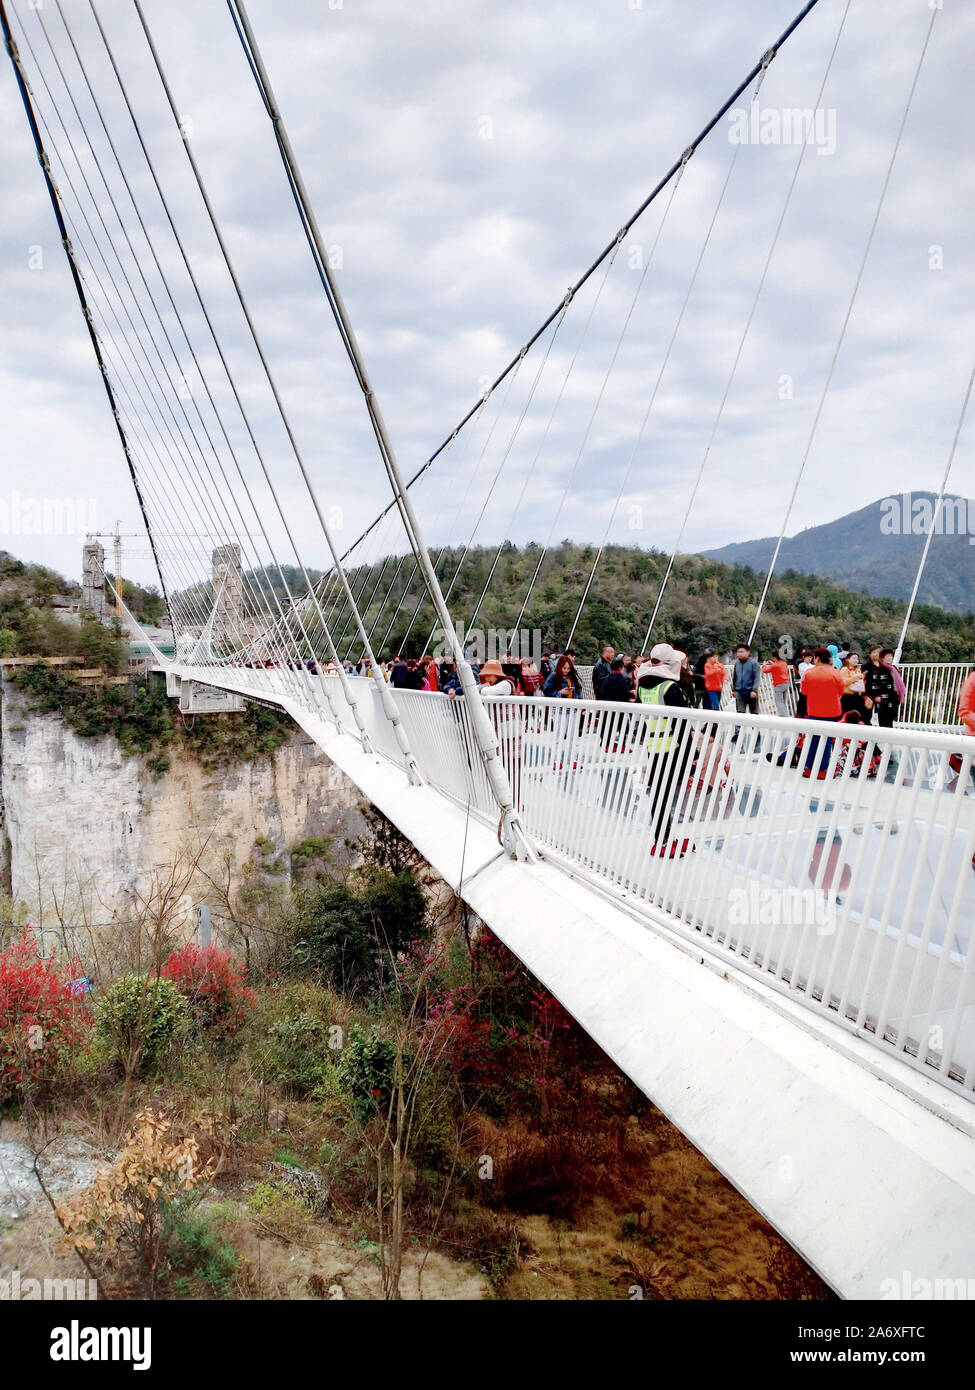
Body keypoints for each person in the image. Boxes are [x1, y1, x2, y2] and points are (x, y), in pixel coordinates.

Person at [635, 644, 698, 857]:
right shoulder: (668, 687)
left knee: (661, 793)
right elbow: (681, 723)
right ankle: (663, 841)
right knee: (668, 795)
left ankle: (664, 838)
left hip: (654, 746)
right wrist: (692, 752)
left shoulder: (644, 688)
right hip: (673, 747)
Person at [800, 647, 844, 777]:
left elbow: (804, 691)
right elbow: (842, 690)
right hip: (832, 711)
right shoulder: (836, 673)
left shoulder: (809, 673)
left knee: (813, 739)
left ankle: (809, 767)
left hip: (814, 711)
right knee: (827, 741)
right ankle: (822, 770)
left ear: (817, 658)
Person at [864, 646, 900, 728]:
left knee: (889, 721)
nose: (890, 658)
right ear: (882, 658)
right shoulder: (878, 669)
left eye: (891, 656)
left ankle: (888, 739)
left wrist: (899, 697)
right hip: (880, 700)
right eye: (887, 657)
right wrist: (876, 696)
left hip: (892, 700)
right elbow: (876, 684)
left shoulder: (894, 669)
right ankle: (882, 739)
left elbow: (898, 684)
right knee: (883, 721)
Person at [762, 652, 792, 717]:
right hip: (786, 683)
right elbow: (778, 667)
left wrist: (764, 665)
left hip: (779, 685)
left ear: (775, 657)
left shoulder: (775, 665)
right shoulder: (784, 663)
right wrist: (772, 663)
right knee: (784, 701)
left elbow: (765, 670)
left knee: (779, 702)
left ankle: (783, 716)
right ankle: (786, 714)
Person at [732, 644, 760, 715]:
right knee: (739, 712)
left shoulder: (754, 663)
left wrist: (754, 690)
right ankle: (738, 726)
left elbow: (756, 677)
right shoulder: (737, 663)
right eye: (738, 652)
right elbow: (735, 677)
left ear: (748, 652)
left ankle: (754, 726)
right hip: (739, 692)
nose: (739, 654)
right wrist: (733, 689)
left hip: (750, 691)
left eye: (742, 652)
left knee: (754, 713)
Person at [839, 652, 867, 718]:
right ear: (848, 659)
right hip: (847, 696)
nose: (856, 660)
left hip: (857, 696)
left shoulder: (858, 670)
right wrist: (855, 677)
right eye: (854, 658)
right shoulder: (844, 669)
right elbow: (844, 682)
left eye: (857, 659)